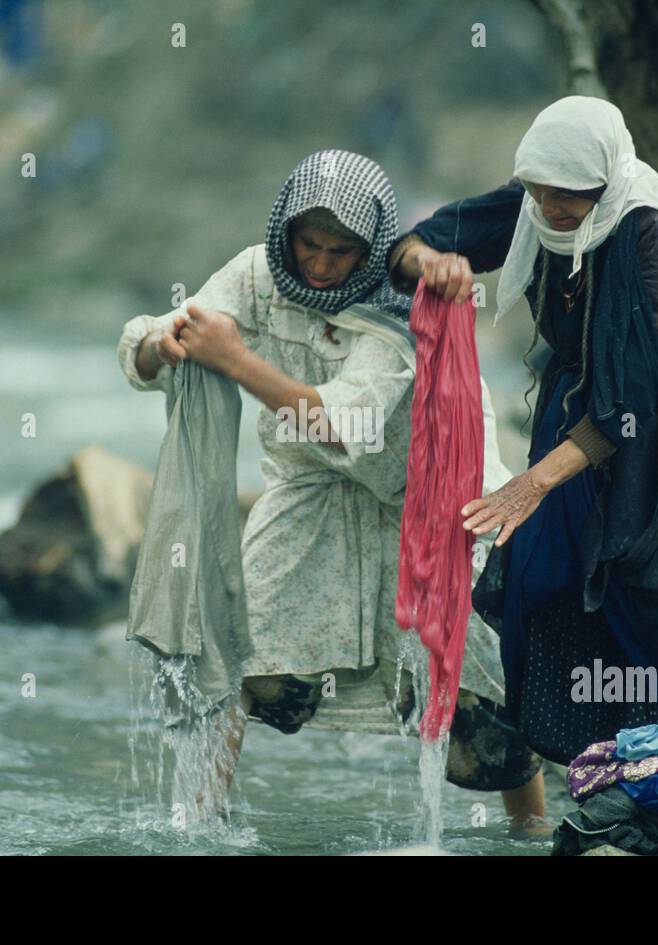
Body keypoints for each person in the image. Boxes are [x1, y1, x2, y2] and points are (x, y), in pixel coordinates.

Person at [117, 149, 547, 829]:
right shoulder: (261, 274)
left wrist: (235, 359)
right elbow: (172, 331)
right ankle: (199, 820)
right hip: (310, 486)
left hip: (429, 496)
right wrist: (161, 346)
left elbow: (343, 424)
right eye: (308, 244)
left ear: (370, 248)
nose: (319, 263)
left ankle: (532, 830)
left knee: (483, 678)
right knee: (237, 643)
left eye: (340, 250)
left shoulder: (403, 307)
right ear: (284, 233)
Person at [388, 97, 658, 765]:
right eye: (541, 191)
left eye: (568, 196)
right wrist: (430, 263)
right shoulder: (537, 201)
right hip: (583, 408)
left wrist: (533, 483)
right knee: (552, 571)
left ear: (603, 182)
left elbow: (634, 396)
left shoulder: (650, 235)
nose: (550, 209)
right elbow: (425, 240)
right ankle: (594, 754)